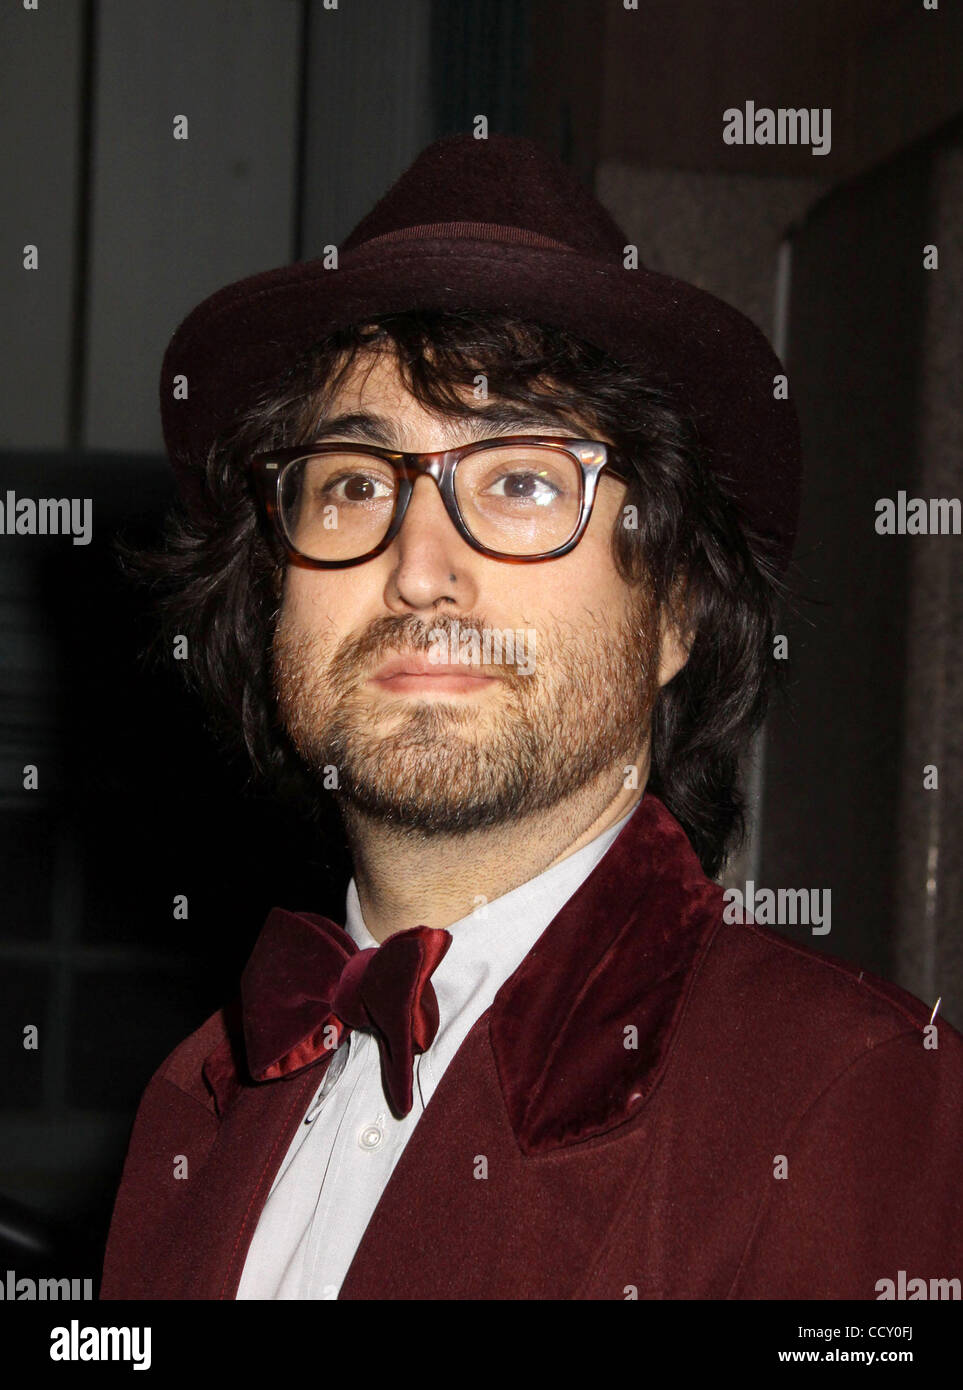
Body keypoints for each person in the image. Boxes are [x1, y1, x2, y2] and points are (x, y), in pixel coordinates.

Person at [99, 133, 962, 1301]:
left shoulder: (854, 1097)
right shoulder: (192, 1101)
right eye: (355, 483)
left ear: (677, 612)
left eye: (520, 480)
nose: (419, 568)